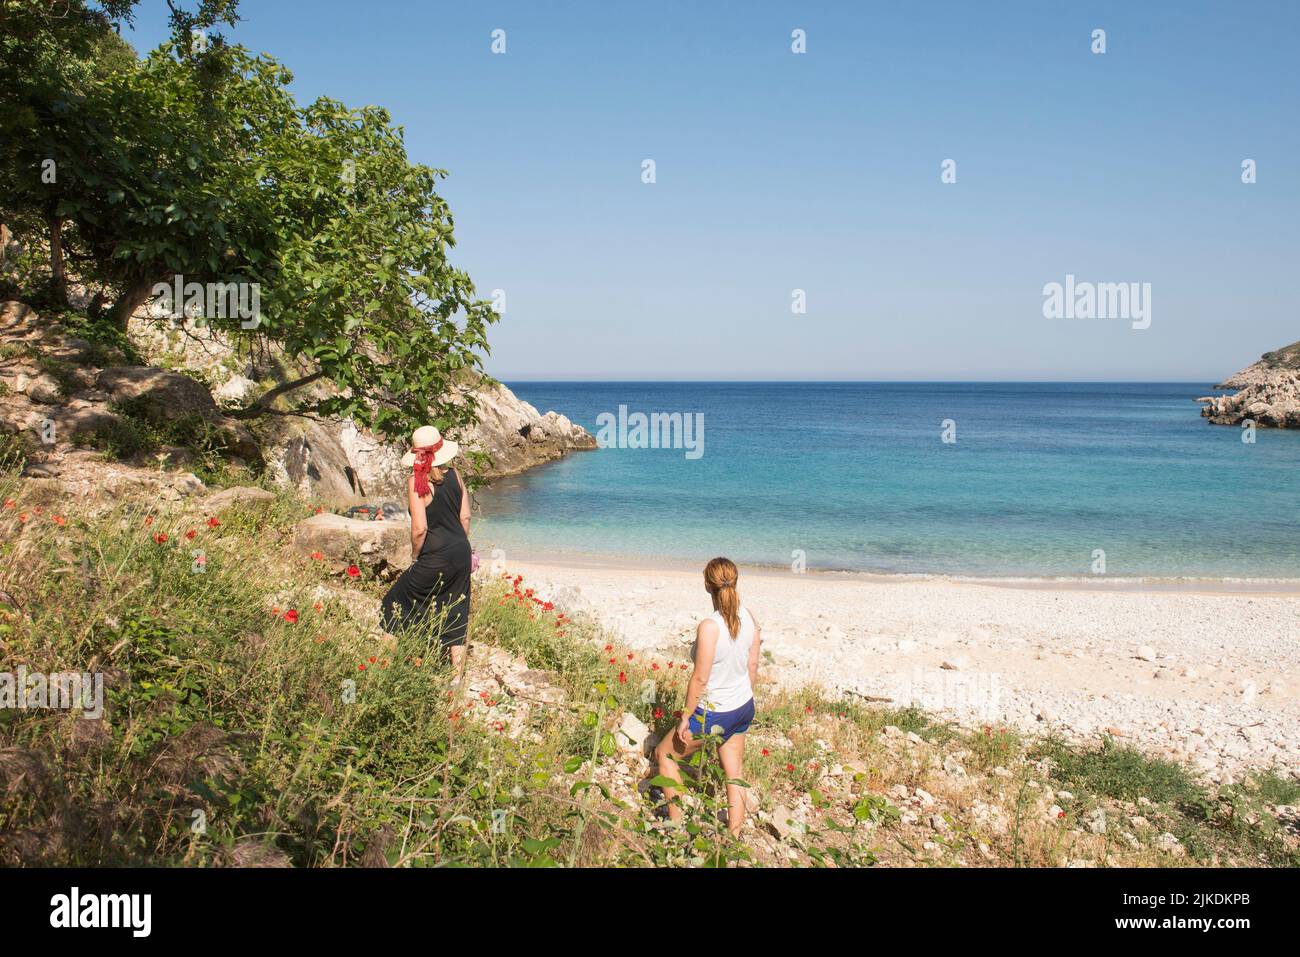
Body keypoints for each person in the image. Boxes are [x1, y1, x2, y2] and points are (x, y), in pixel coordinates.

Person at [654, 557, 761, 837]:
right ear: (736, 582)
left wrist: (686, 717)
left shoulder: (709, 626)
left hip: (714, 712)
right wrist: (741, 698)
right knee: (734, 773)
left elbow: (700, 679)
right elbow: (752, 667)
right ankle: (735, 839)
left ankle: (677, 833)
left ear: (706, 586)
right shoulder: (748, 616)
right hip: (743, 706)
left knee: (664, 755)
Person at [380, 425, 472, 669]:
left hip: (434, 556)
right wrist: (457, 546)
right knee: (457, 610)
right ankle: (456, 679)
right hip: (461, 551)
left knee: (394, 601)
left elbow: (419, 529)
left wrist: (414, 556)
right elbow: (465, 518)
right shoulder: (456, 475)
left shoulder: (416, 482)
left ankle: (383, 666)